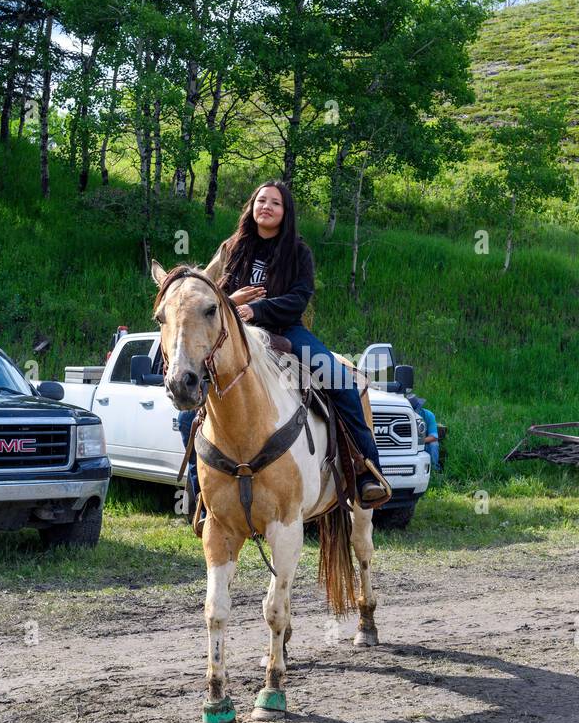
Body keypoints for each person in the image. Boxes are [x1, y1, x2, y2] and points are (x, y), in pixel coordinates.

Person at [179, 180, 388, 515]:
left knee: (341, 382)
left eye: (275, 203)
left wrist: (257, 310)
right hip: (237, 336)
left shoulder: (298, 251)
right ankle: (200, 491)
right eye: (261, 200)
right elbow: (211, 299)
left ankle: (366, 471)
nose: (266, 207)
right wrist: (233, 305)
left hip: (287, 332)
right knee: (187, 410)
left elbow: (299, 297)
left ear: (285, 212)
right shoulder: (231, 248)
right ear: (251, 206)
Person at [408, 393, 440, 473]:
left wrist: (419, 441)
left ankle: (435, 469)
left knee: (434, 444)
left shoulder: (429, 415)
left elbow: (434, 436)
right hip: (408, 445)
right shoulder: (404, 417)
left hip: (424, 444)